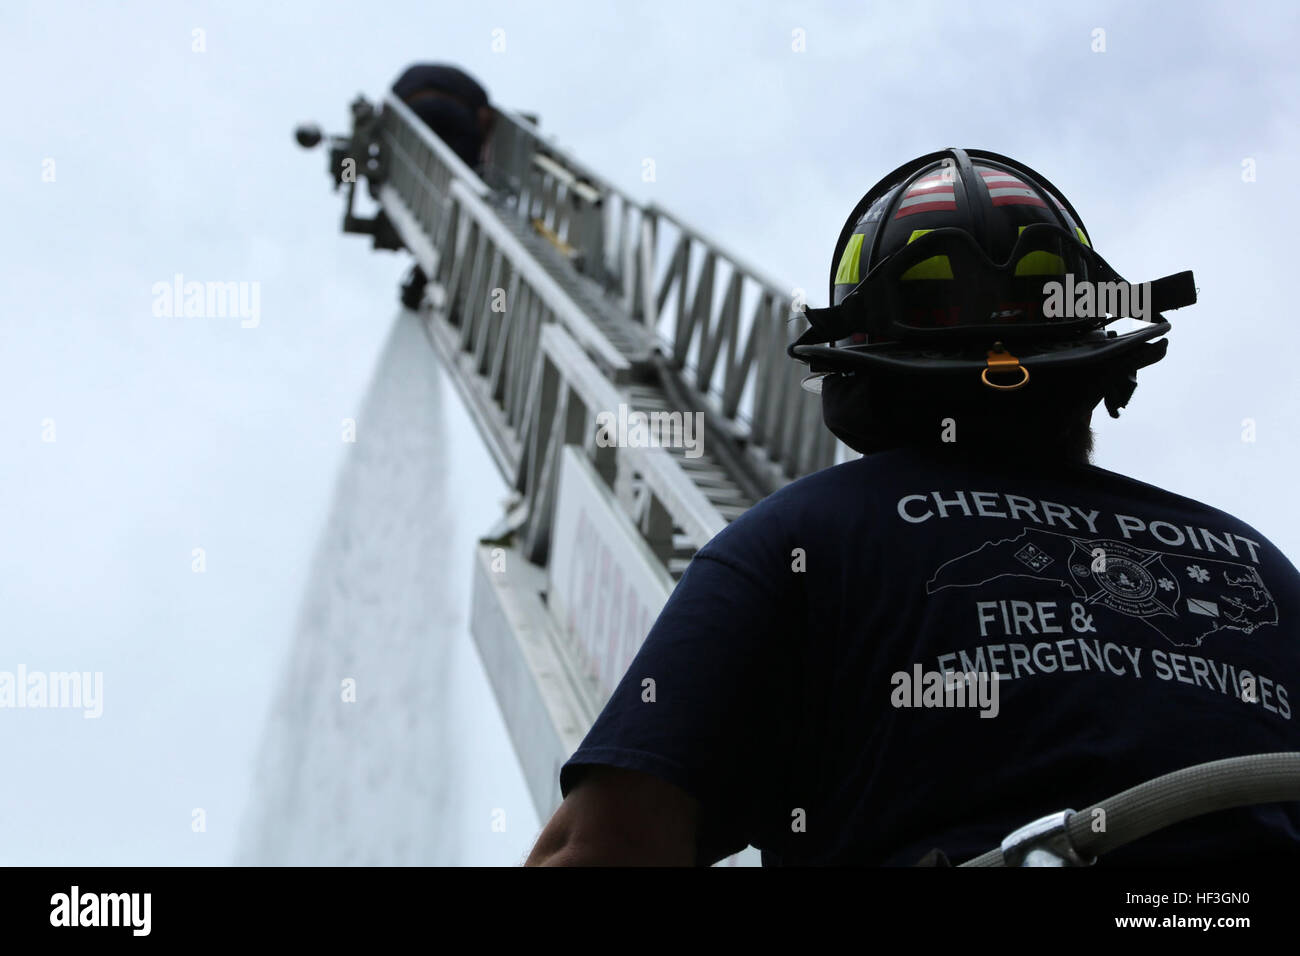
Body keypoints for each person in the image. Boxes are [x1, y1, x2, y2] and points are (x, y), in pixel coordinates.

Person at [524, 148, 1300, 866]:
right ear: (1100, 354)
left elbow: (607, 848)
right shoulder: (1258, 566)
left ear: (859, 365)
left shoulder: (801, 540)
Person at [391, 64, 494, 309]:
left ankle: (449, 190)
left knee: (424, 165)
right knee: (460, 168)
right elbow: (484, 119)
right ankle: (461, 187)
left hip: (414, 111)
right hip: (457, 114)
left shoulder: (411, 75)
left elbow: (387, 112)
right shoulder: (474, 88)